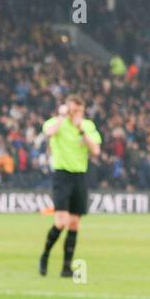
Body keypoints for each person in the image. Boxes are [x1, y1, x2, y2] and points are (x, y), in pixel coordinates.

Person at [39, 95, 101, 277]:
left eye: (79, 111)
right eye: (73, 110)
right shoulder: (57, 123)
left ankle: (66, 268)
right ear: (66, 109)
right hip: (62, 175)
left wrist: (81, 130)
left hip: (79, 176)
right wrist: (62, 117)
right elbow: (48, 133)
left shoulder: (87, 126)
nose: (76, 114)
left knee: (74, 224)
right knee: (61, 221)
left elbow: (95, 150)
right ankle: (45, 255)